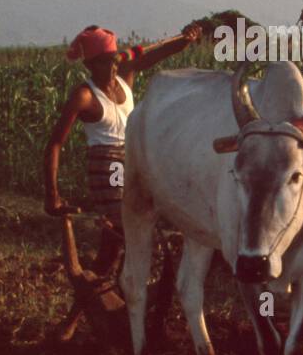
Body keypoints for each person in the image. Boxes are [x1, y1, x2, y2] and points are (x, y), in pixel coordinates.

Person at [44, 22, 202, 275]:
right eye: (104, 62)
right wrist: (52, 194)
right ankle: (114, 289)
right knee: (125, 228)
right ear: (89, 65)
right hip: (108, 166)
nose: (112, 67)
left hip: (135, 158)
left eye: (114, 60)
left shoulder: (124, 76)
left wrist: (185, 40)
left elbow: (159, 54)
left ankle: (100, 288)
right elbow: (55, 143)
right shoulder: (84, 96)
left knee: (121, 236)